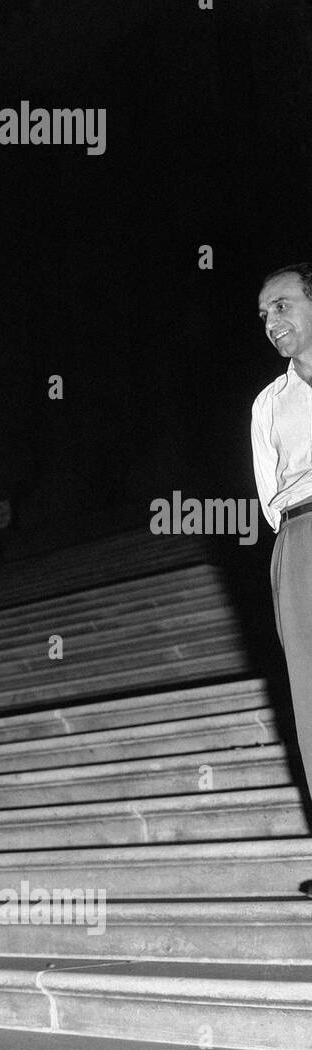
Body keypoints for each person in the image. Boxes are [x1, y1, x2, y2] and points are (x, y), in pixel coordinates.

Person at [252, 262, 312, 801]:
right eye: (264, 314)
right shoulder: (269, 404)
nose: (271, 321)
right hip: (302, 533)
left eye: (282, 305)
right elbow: (271, 493)